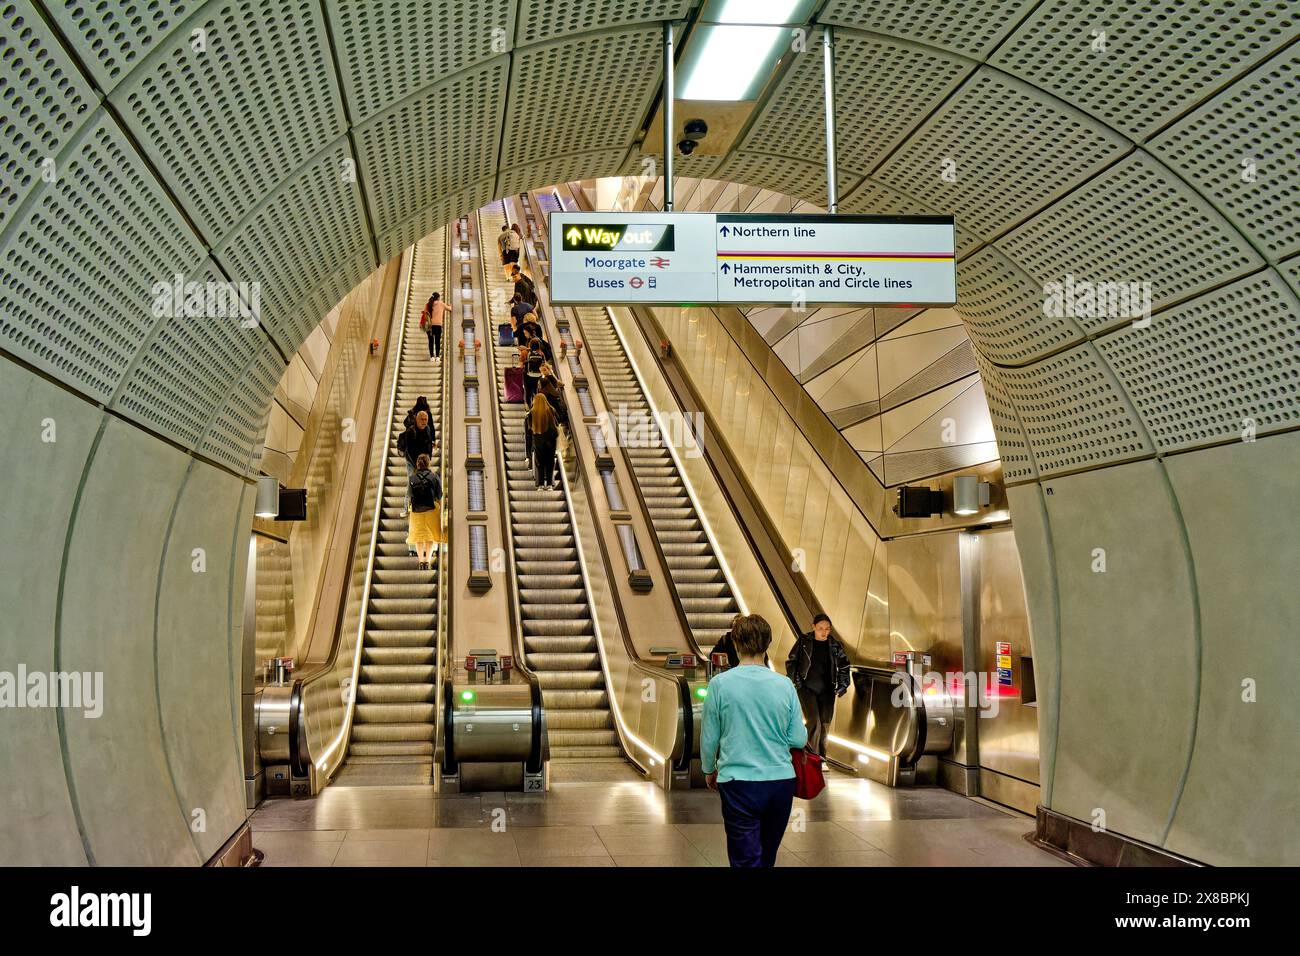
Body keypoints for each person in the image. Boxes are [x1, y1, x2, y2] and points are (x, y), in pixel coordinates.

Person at [701, 614, 807, 868]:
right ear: (767, 644)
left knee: (746, 859)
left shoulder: (719, 684)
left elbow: (709, 736)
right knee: (766, 857)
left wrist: (708, 769)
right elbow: (798, 738)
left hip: (738, 782)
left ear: (735, 644)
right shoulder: (784, 685)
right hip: (780, 782)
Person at [784, 613, 850, 758]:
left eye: (827, 629)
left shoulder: (834, 645)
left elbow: (844, 665)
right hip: (806, 688)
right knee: (814, 721)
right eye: (820, 628)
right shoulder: (804, 641)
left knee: (825, 724)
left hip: (827, 690)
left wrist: (843, 685)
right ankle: (810, 755)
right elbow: (792, 661)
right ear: (813, 627)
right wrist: (795, 682)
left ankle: (821, 757)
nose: (824, 632)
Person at [406, 453, 442, 571]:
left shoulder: (412, 478)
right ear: (428, 463)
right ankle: (427, 561)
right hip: (431, 509)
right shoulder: (434, 476)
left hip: (416, 511)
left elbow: (409, 495)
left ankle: (421, 561)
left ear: (417, 464)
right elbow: (439, 494)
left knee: (418, 536)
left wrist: (407, 509)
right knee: (430, 536)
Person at [396, 409, 435, 517]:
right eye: (422, 419)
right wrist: (417, 466)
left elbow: (428, 444)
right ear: (417, 420)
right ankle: (406, 509)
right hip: (412, 463)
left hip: (424, 461)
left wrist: (428, 458)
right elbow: (411, 451)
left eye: (426, 419)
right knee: (411, 484)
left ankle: (423, 506)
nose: (424, 421)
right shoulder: (410, 432)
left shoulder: (427, 429)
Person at [539, 375, 569, 488]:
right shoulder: (554, 395)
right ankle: (550, 482)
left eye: (540, 385)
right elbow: (562, 412)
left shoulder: (544, 397)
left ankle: (546, 481)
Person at [527, 393, 558, 489]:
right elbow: (555, 426)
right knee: (550, 462)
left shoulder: (531, 413)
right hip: (550, 440)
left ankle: (540, 485)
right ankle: (549, 485)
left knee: (539, 463)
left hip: (538, 439)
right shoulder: (551, 409)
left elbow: (529, 429)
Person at [421, 292, 449, 359]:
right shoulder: (441, 303)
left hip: (429, 326)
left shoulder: (428, 304)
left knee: (431, 341)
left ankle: (432, 357)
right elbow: (449, 308)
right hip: (438, 325)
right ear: (438, 298)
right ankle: (437, 357)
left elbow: (425, 313)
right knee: (437, 341)